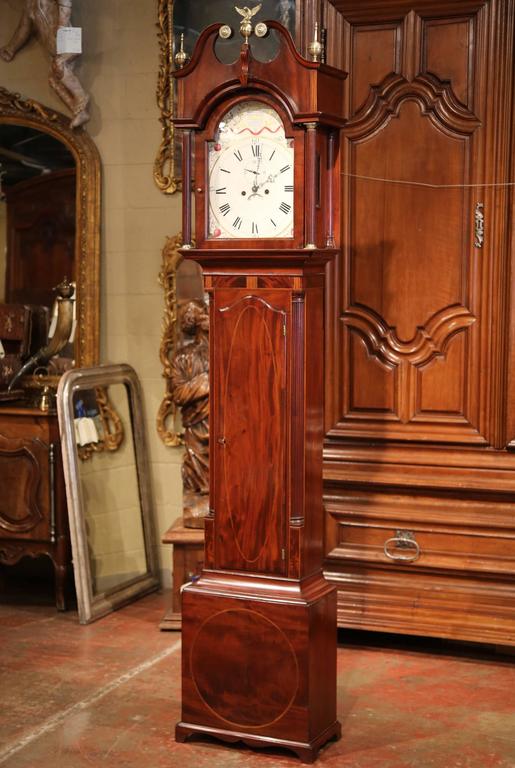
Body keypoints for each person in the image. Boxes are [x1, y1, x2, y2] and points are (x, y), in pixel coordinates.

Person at [0, 0, 90, 128]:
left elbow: (65, 3)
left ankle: (82, 97)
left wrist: (61, 29)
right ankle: (80, 111)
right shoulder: (30, 6)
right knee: (53, 80)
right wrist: (11, 48)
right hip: (53, 46)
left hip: (67, 38)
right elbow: (24, 28)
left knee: (59, 64)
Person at [170, 300, 209, 528]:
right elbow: (178, 393)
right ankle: (202, 499)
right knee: (197, 464)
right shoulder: (183, 357)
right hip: (196, 424)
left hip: (221, 421)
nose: (204, 316)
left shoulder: (224, 349)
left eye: (205, 312)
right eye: (198, 313)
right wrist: (206, 381)